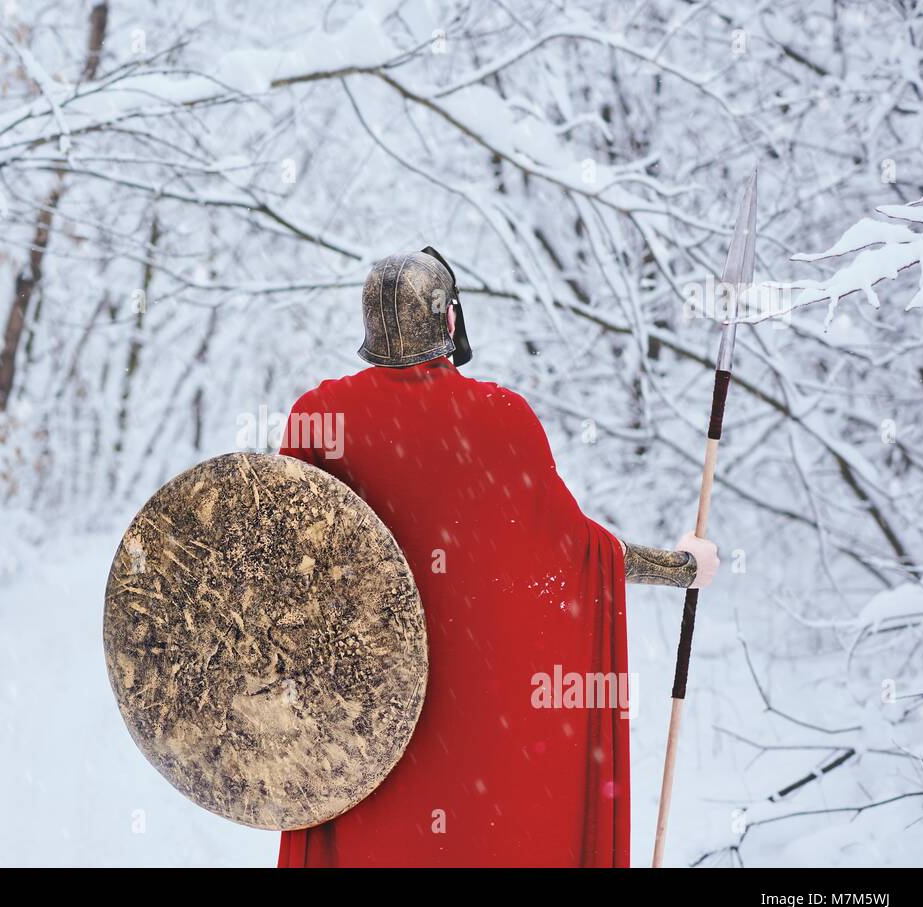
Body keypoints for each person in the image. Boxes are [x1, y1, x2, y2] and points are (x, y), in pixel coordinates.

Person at [276, 248, 719, 867]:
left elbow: (273, 583)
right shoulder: (503, 420)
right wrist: (682, 567)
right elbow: (582, 552)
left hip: (364, 740)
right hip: (482, 743)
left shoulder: (317, 420)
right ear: (449, 323)